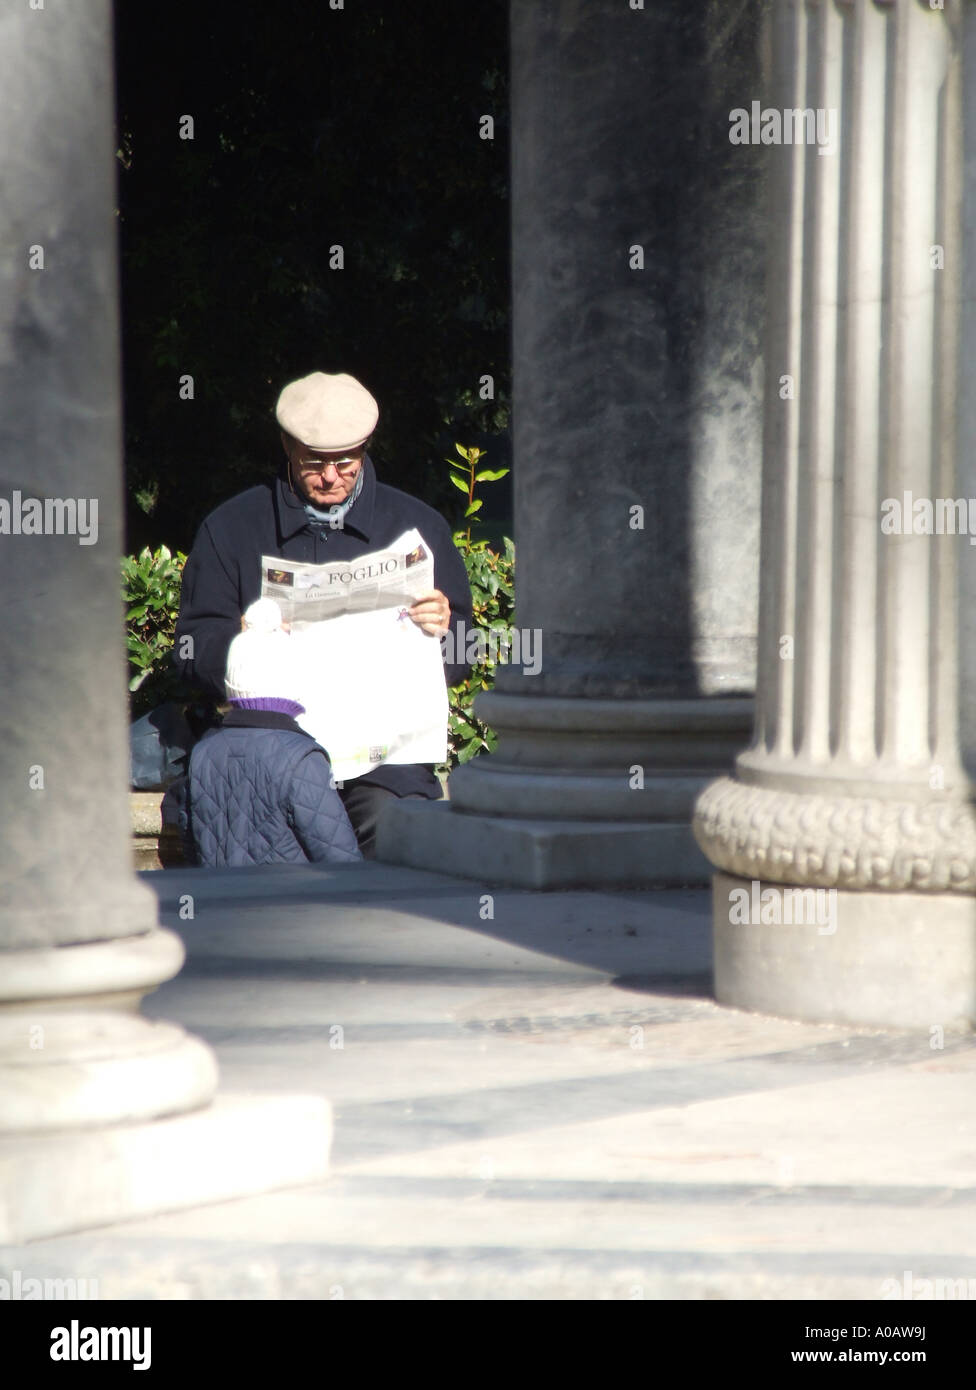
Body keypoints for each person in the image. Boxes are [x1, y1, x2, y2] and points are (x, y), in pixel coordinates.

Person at [174, 371, 473, 856]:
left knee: (399, 828)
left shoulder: (417, 525)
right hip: (272, 748)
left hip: (382, 760)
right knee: (261, 832)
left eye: (346, 461)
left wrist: (442, 633)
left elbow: (464, 654)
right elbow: (189, 650)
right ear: (287, 447)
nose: (331, 476)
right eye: (314, 462)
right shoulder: (231, 528)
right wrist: (244, 648)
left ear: (366, 447)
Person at [185, 599, 362, 867]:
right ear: (293, 685)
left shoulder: (202, 752)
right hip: (290, 905)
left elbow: (191, 841)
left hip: (220, 904)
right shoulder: (302, 759)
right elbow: (341, 861)